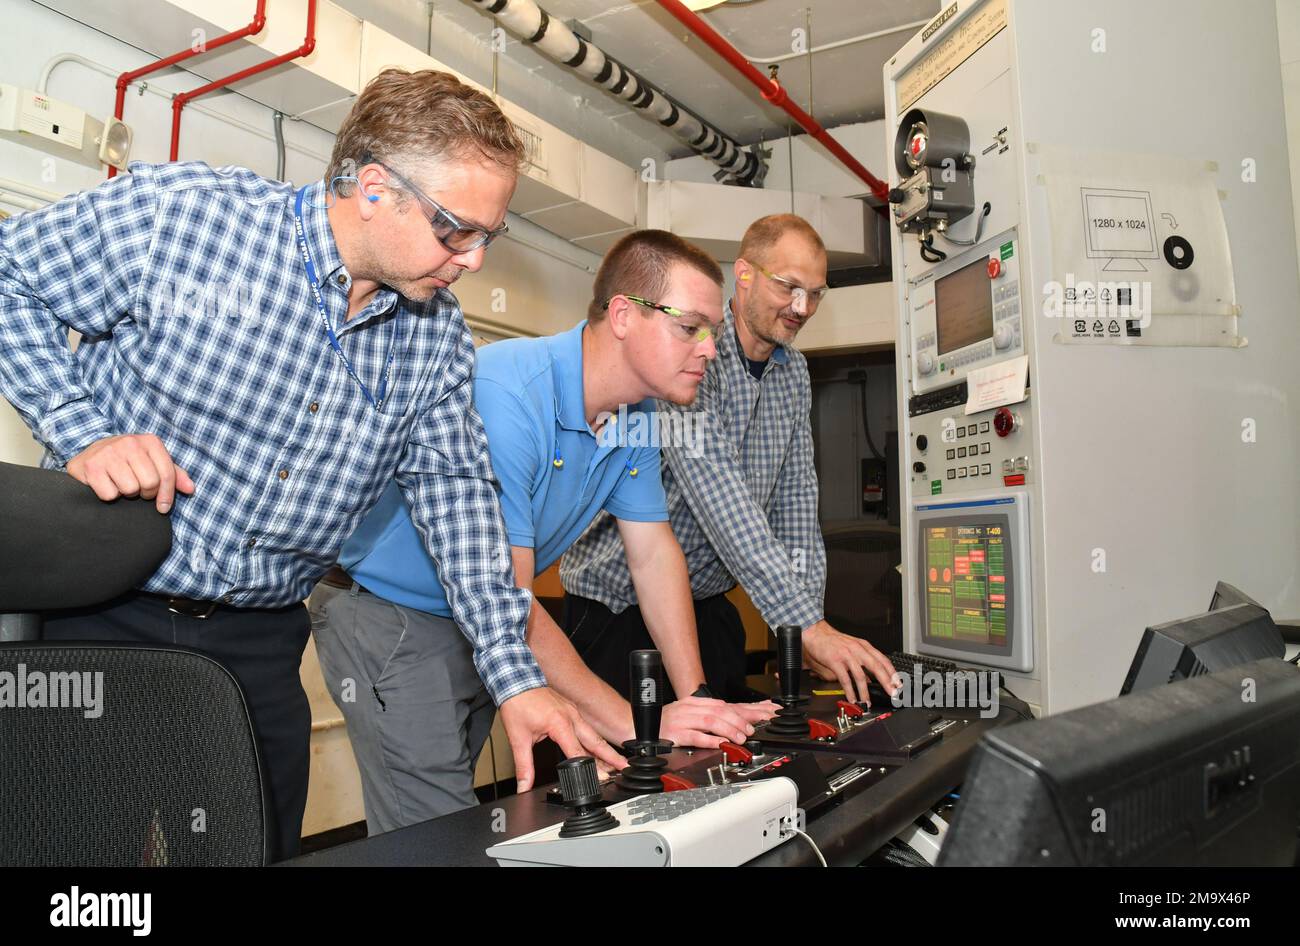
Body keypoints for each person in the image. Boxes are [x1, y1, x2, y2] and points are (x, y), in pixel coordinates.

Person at [0, 68, 616, 860]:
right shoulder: (187, 220)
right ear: (372, 188)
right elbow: (9, 274)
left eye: (488, 237)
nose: (472, 260)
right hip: (107, 616)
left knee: (248, 849)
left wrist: (516, 676)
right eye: (456, 230)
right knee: (79, 863)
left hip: (260, 645)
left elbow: (460, 503)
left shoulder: (434, 336)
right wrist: (82, 431)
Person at [313, 230, 778, 834]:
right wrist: (641, 724)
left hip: (475, 620)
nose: (710, 348)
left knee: (470, 823)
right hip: (389, 614)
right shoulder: (506, 395)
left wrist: (696, 702)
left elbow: (653, 557)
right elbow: (508, 592)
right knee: (432, 830)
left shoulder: (638, 415)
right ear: (623, 316)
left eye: (713, 330)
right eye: (690, 326)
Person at [561, 214, 902, 704]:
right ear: (744, 273)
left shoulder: (794, 373)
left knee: (730, 760)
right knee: (637, 771)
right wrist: (802, 622)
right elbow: (722, 500)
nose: (802, 307)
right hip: (619, 610)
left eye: (816, 293)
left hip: (709, 607)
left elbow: (796, 504)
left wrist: (809, 622)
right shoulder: (692, 354)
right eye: (788, 287)